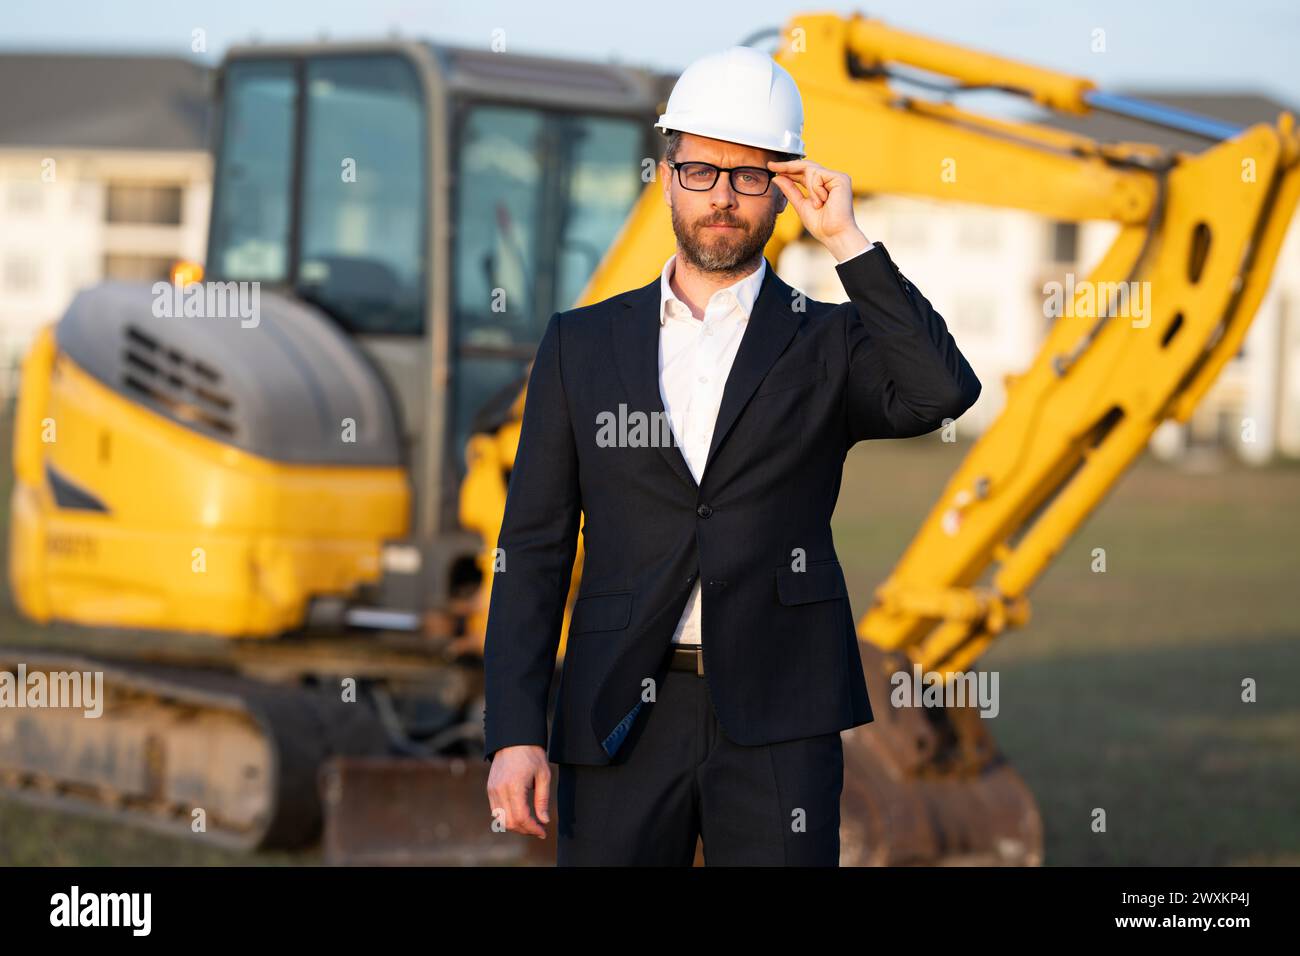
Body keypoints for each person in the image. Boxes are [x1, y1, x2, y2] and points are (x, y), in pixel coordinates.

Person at [482, 45, 982, 865]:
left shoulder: (827, 341)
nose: (722, 196)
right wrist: (513, 732)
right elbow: (532, 550)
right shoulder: (581, 344)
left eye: (749, 177)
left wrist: (847, 239)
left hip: (783, 716)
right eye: (702, 171)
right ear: (667, 173)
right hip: (618, 708)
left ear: (784, 190)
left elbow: (942, 392)